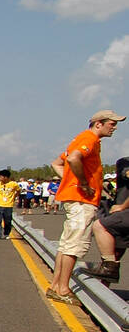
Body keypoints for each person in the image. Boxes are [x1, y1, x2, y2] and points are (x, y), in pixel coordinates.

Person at [46, 109, 123, 304]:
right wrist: (82, 183)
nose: (114, 128)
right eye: (111, 124)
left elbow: (57, 163)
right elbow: (72, 159)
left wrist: (70, 180)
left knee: (66, 244)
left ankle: (56, 285)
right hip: (82, 201)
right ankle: (63, 289)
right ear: (98, 123)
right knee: (76, 245)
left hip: (75, 198)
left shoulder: (82, 140)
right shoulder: (89, 139)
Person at [0, 169, 20, 239]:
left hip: (8, 205)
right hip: (0, 205)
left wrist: (14, 197)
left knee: (8, 221)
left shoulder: (14, 184)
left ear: (6, 177)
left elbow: (18, 191)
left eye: (0, 177)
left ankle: (6, 233)